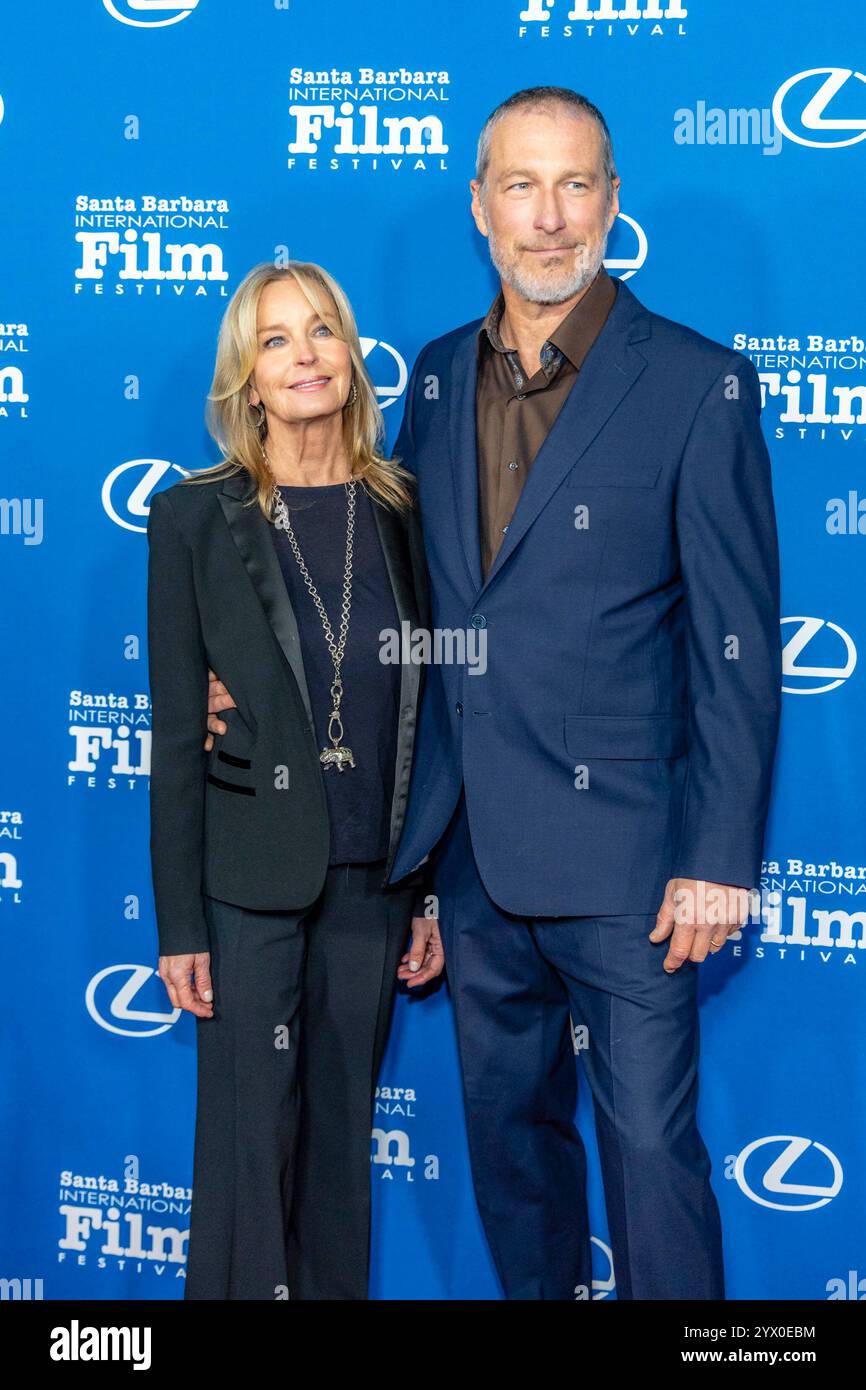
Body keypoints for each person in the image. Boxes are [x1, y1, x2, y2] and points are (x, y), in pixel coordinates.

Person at [208, 87, 782, 1300]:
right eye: (520, 186)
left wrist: (719, 855)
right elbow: (391, 603)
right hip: (468, 872)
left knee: (649, 1162)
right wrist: (252, 683)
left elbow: (736, 644)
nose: (548, 217)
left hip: (633, 867)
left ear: (612, 203)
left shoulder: (695, 385)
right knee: (511, 1167)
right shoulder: (425, 378)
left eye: (575, 185)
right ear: (480, 205)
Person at [146, 259, 442, 1302]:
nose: (305, 354)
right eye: (276, 339)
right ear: (247, 378)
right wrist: (180, 923)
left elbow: (439, 714)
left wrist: (428, 889)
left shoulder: (407, 509)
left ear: (351, 356)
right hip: (246, 887)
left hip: (373, 883)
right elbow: (175, 733)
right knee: (243, 1152)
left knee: (336, 1158)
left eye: (321, 330)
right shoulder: (193, 518)